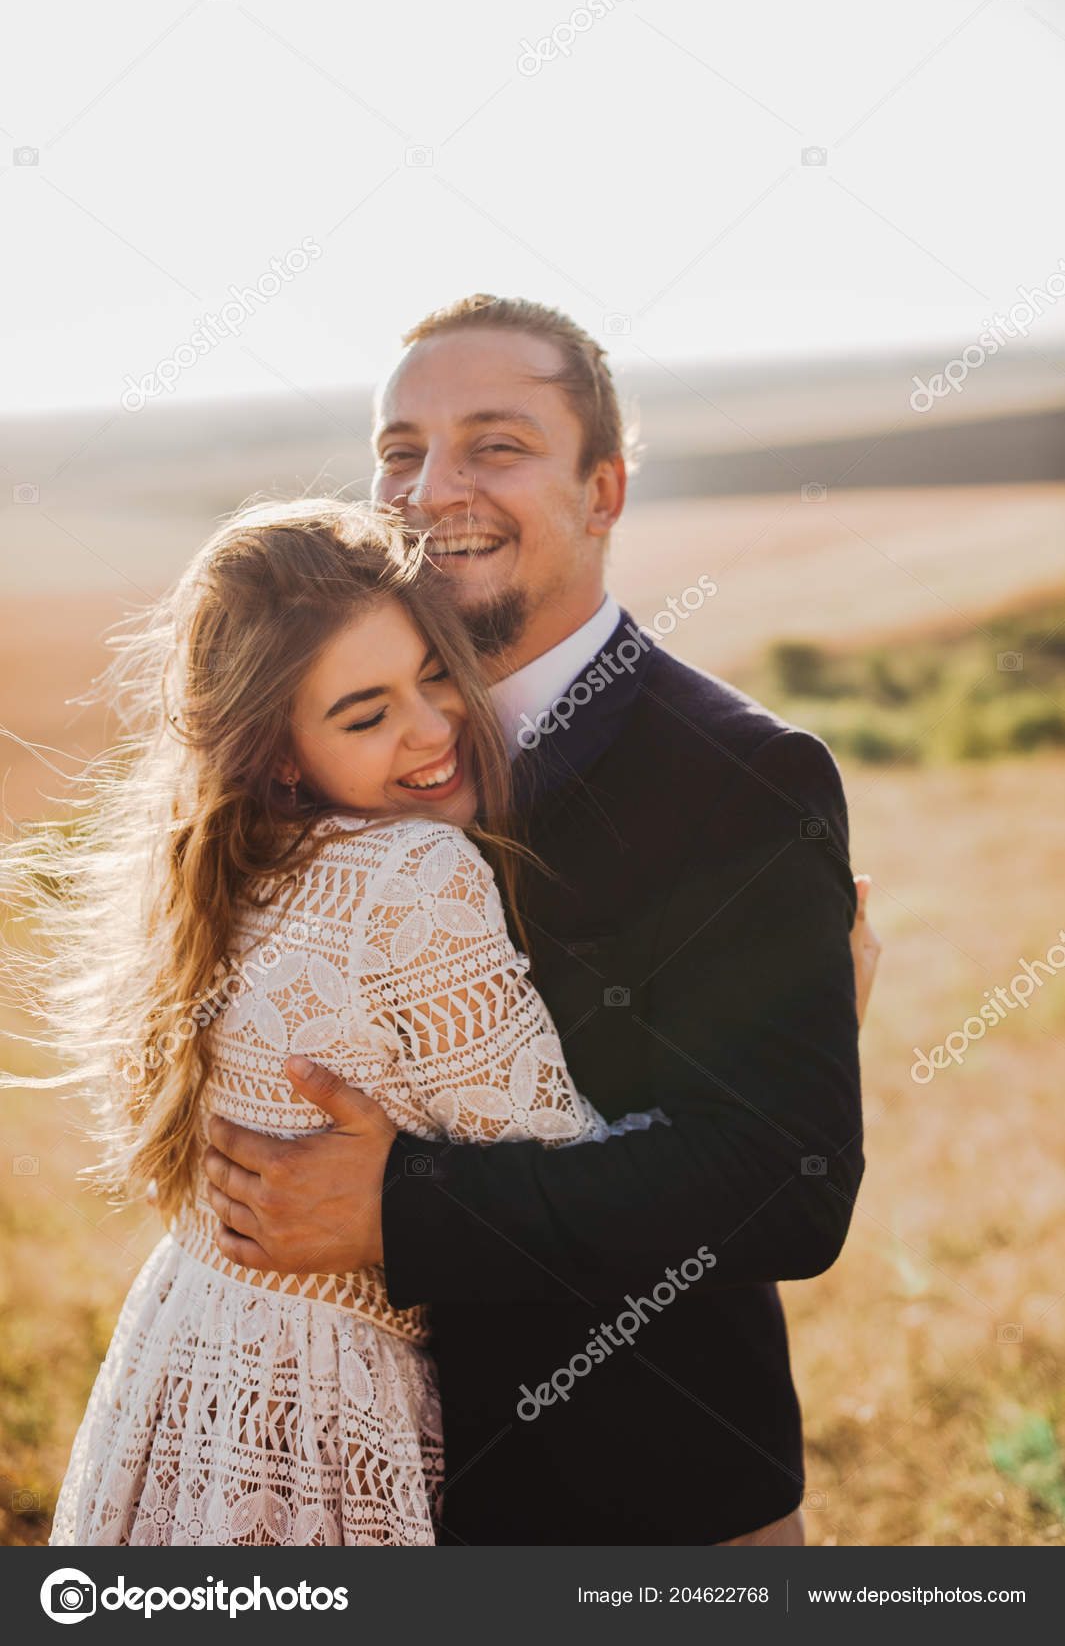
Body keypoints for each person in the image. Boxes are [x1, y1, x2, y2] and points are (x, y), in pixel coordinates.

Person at [204, 295, 877, 1547]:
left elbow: (790, 1184)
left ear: (604, 492)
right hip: (356, 1489)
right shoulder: (311, 751)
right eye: (400, 449)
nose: (428, 486)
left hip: (645, 1502)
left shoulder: (742, 777)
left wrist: (398, 1210)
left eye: (495, 444)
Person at [23, 499, 664, 1545]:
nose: (430, 726)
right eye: (365, 715)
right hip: (325, 1402)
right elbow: (577, 1192)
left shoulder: (223, 872)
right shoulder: (413, 870)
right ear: (281, 753)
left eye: (435, 672)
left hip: (194, 1353)